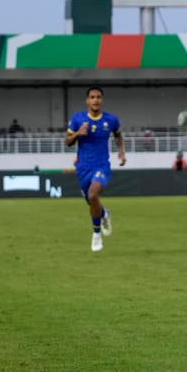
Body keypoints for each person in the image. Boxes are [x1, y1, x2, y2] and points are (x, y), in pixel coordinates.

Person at [64, 87, 125, 252]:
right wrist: (78, 133)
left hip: (102, 166)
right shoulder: (78, 119)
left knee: (92, 194)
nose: (96, 100)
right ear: (87, 100)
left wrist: (121, 152)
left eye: (98, 97)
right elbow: (67, 141)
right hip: (83, 168)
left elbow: (118, 135)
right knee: (92, 202)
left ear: (102, 100)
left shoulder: (111, 119)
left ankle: (96, 235)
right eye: (92, 97)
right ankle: (104, 214)